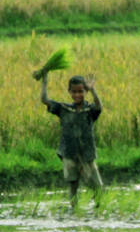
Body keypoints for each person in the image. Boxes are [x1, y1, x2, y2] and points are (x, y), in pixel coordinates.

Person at [39, 71, 104, 208]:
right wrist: (44, 80)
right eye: (74, 92)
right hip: (69, 153)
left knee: (97, 187)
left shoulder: (89, 110)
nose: (77, 95)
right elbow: (45, 100)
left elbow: (99, 107)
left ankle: (99, 209)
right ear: (69, 92)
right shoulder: (64, 109)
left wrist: (93, 90)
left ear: (85, 92)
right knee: (73, 186)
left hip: (86, 154)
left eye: (81, 91)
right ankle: (74, 209)